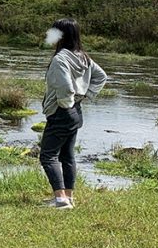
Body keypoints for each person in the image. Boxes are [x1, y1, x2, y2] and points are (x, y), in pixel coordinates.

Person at [39, 18, 107, 209]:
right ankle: (68, 197)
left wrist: (66, 104)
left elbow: (66, 88)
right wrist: (84, 96)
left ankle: (61, 200)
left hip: (62, 112)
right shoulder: (83, 56)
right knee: (67, 156)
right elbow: (101, 76)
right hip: (75, 112)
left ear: (61, 35)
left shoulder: (60, 59)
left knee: (47, 156)